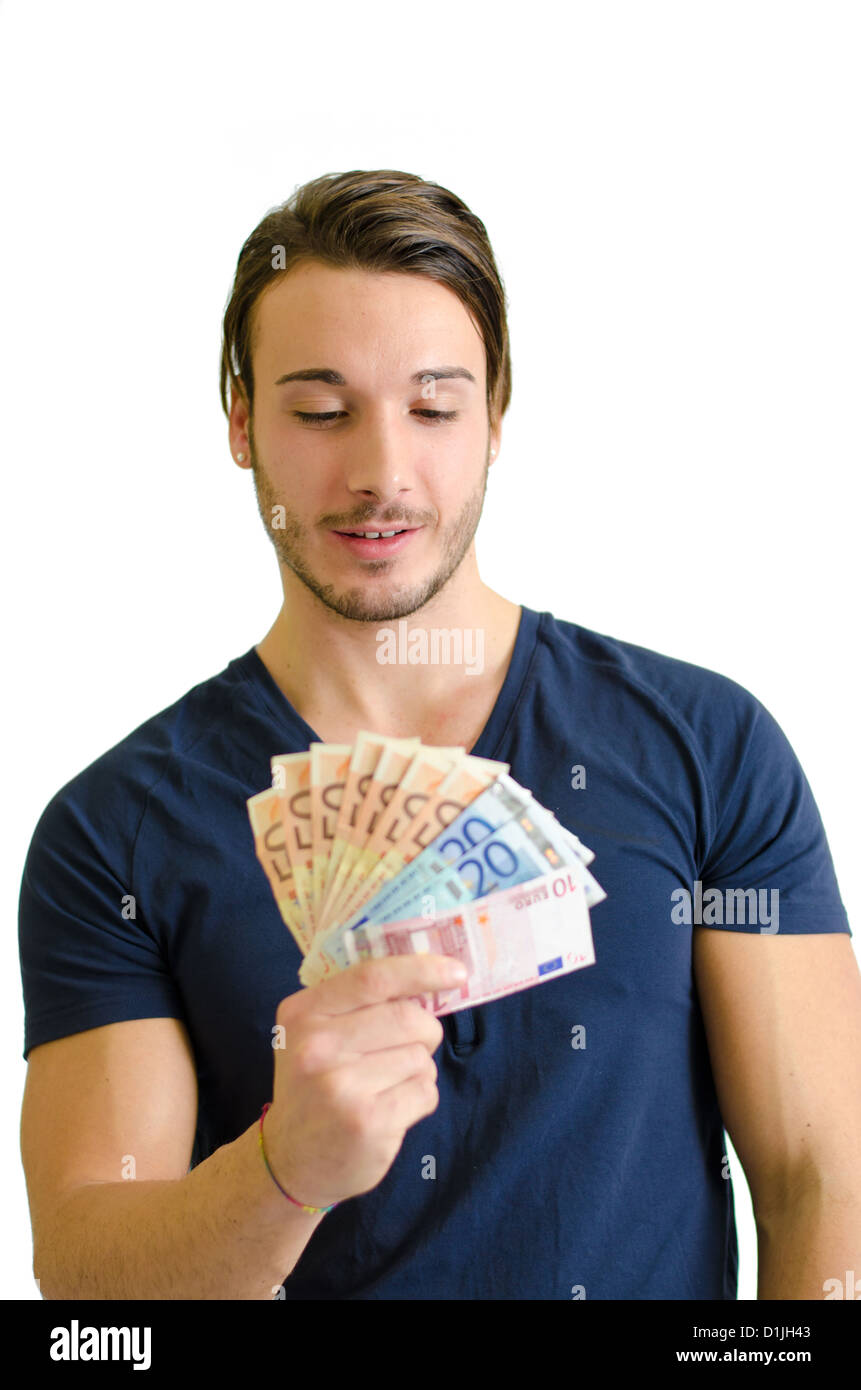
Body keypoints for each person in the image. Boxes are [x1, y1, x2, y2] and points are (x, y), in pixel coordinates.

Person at [18, 169, 860, 1302]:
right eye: (320, 410)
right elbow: (88, 1276)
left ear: (497, 413)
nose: (380, 474)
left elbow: (823, 1177)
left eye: (433, 406)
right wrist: (282, 1173)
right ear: (239, 418)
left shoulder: (708, 748)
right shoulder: (111, 834)